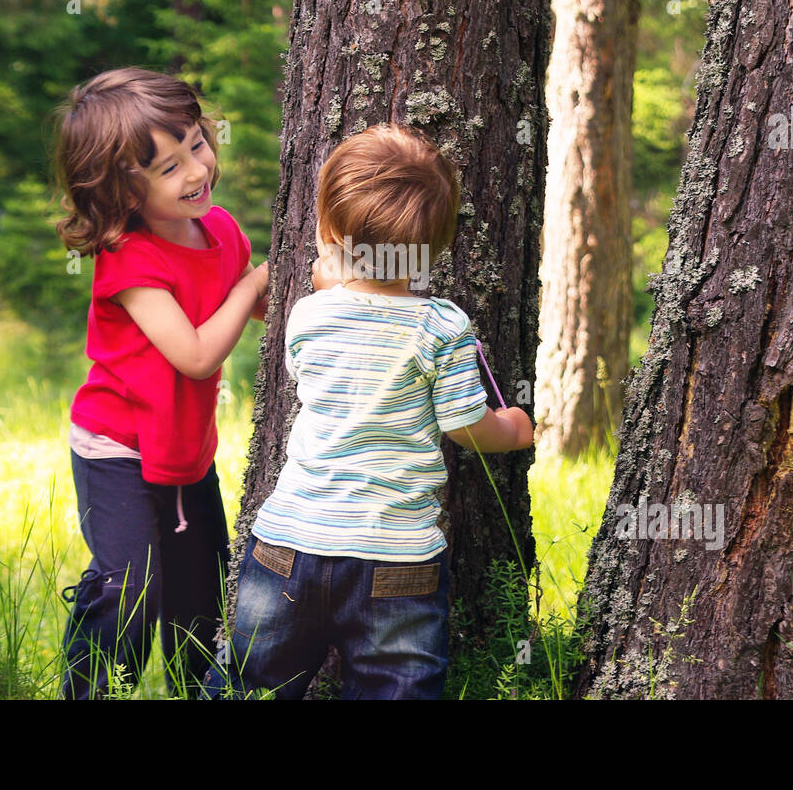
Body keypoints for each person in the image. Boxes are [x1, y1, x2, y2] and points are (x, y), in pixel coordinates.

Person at [206, 122, 533, 699]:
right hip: (395, 560)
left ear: (328, 231)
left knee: (248, 685)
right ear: (436, 248)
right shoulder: (442, 325)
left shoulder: (307, 314)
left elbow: (321, 344)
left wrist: (336, 278)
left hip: (289, 548)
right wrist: (511, 429)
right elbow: (465, 428)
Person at [52, 67, 268, 699]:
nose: (196, 172)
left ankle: (194, 691)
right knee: (130, 584)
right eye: (168, 169)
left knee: (202, 592)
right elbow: (197, 355)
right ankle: (90, 690)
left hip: (184, 450)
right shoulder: (132, 260)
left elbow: (248, 304)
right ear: (121, 192)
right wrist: (254, 285)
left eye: (196, 145)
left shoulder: (221, 230)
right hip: (116, 448)